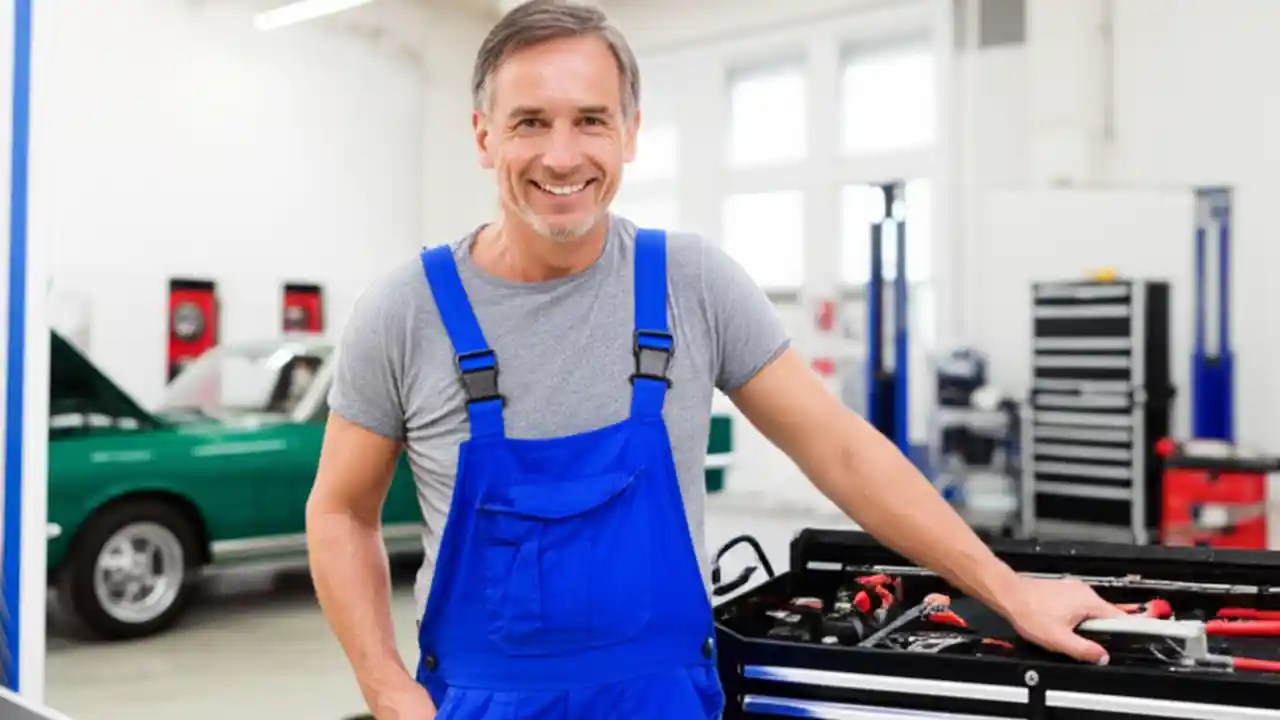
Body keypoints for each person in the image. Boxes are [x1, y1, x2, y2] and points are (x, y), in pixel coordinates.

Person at [304, 1, 1124, 717]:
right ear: (484, 136)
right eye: (530, 122)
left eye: (590, 120)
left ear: (630, 133)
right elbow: (340, 512)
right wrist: (385, 686)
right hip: (479, 704)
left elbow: (839, 449)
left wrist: (1009, 589)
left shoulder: (690, 284)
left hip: (663, 701)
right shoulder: (405, 310)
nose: (562, 155)